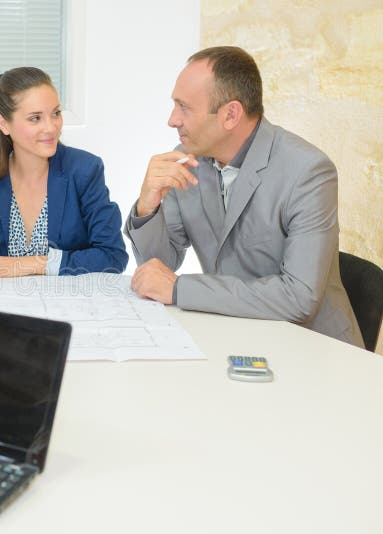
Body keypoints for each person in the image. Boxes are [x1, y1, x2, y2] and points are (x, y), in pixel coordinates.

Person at [124, 46, 363, 347]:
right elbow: (157, 269)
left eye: (184, 107)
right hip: (236, 340)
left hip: (315, 350)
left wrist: (181, 290)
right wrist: (148, 206)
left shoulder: (308, 171)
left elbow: (299, 298)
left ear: (230, 115)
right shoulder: (186, 160)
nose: (172, 120)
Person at [0, 67, 128, 278]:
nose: (51, 127)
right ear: (4, 124)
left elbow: (112, 256)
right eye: (35, 118)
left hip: (65, 306)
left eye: (56, 113)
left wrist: (33, 264)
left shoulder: (84, 169)